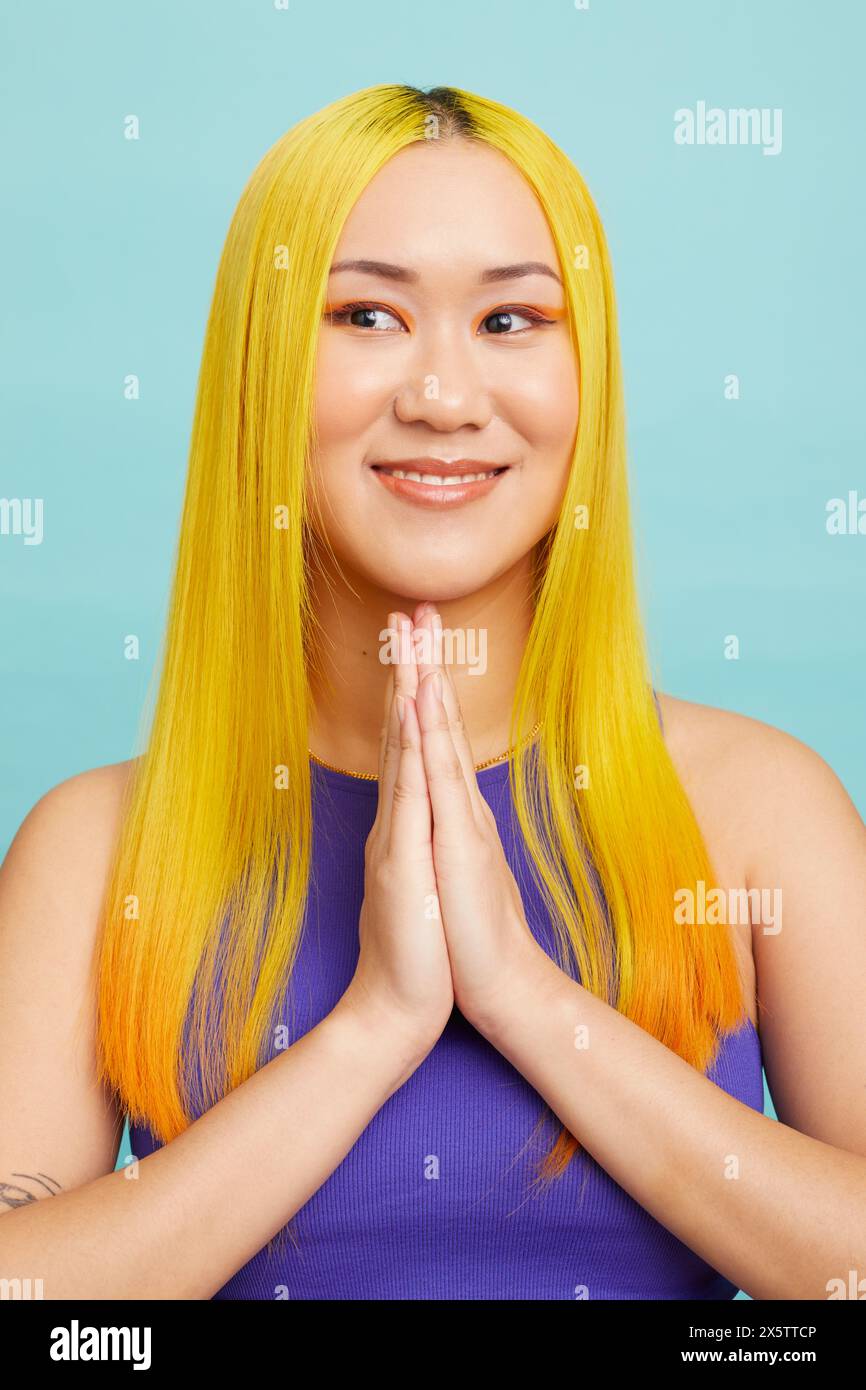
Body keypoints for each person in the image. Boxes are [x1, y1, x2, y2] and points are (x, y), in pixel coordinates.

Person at [1, 84, 864, 1301]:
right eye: (365, 313)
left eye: (512, 319)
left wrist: (520, 992)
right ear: (262, 369)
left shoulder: (757, 806)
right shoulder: (94, 850)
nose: (445, 398)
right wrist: (371, 1029)